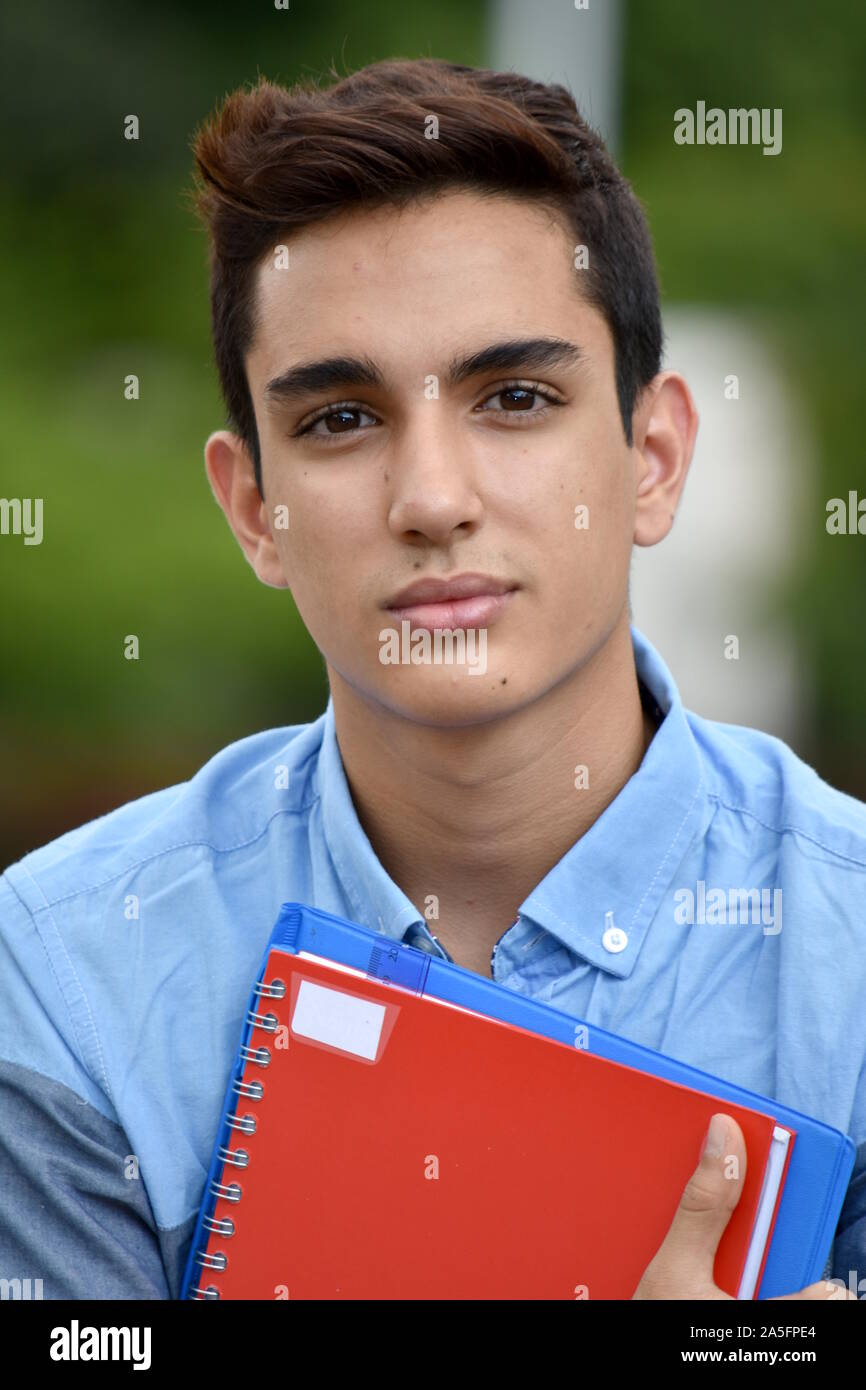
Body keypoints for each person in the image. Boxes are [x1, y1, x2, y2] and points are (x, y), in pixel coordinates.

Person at [1, 58, 862, 1302]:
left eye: (514, 396)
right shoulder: (70, 969)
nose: (432, 500)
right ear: (253, 510)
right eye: (339, 419)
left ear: (654, 457)